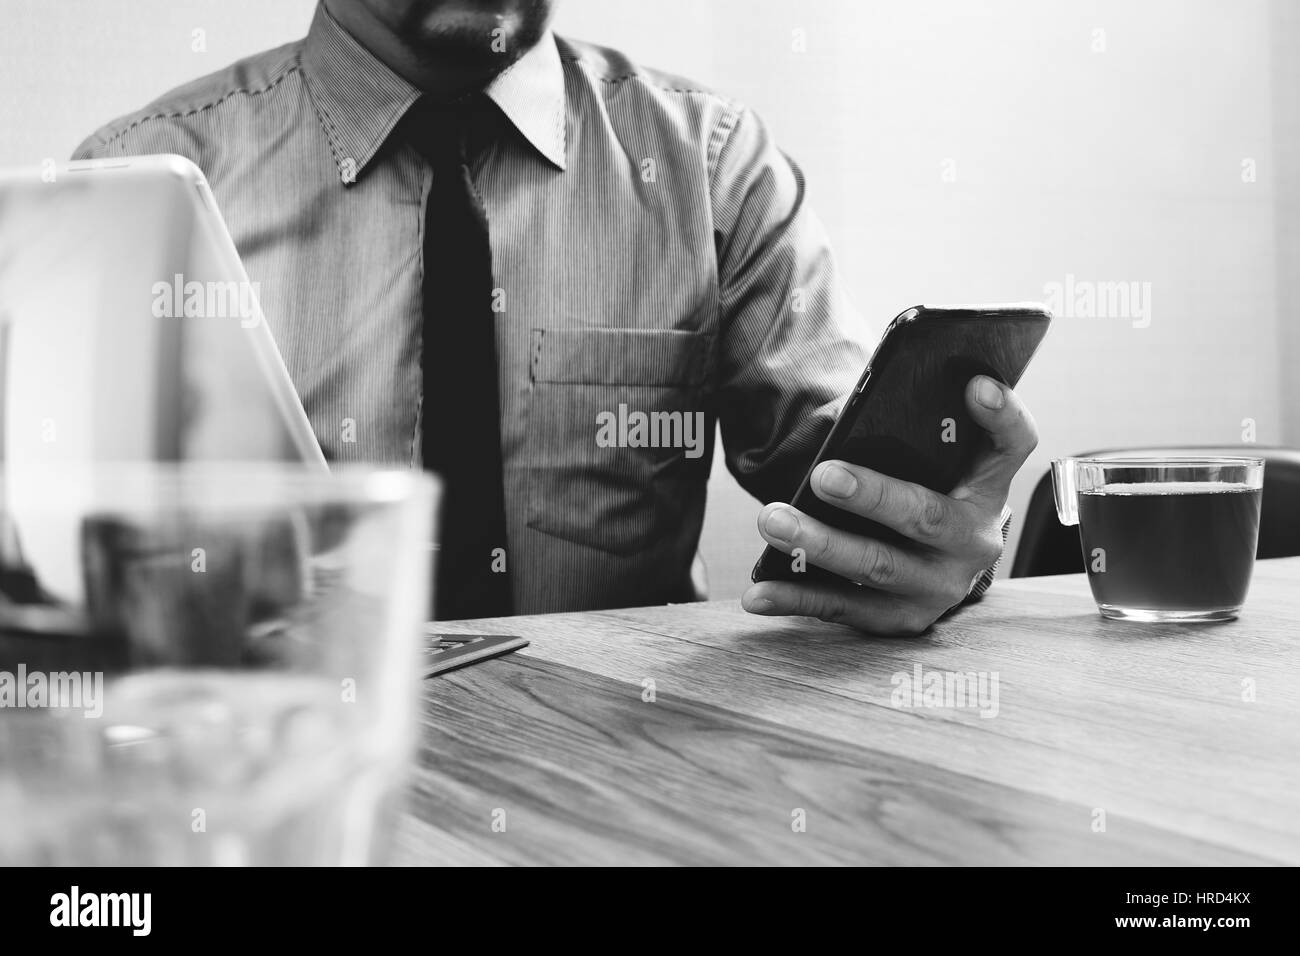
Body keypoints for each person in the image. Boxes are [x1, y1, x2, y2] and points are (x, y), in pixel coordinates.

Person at [75, 0, 1036, 633]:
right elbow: (59, 580)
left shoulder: (709, 164)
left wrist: (932, 542)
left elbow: (856, 497)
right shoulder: (138, 188)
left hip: (624, 792)